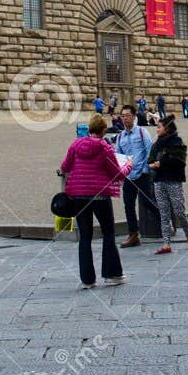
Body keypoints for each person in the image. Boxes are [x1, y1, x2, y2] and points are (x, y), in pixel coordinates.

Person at [59, 114, 127, 287]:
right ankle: (112, 275)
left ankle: (87, 280)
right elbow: (116, 173)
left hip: (78, 196)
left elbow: (65, 167)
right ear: (103, 130)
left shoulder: (75, 144)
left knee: (85, 236)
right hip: (100, 196)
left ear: (89, 129)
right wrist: (128, 166)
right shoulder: (105, 147)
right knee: (108, 233)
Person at [149, 114, 188, 253]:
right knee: (164, 213)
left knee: (179, 211)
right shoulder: (157, 144)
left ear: (167, 129)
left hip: (173, 180)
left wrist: (160, 163)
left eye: (159, 127)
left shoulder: (178, 143)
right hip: (159, 180)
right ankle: (166, 244)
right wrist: (153, 164)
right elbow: (150, 159)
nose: (157, 130)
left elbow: (180, 162)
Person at [116, 105, 154, 248]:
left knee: (147, 202)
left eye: (127, 115)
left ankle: (165, 224)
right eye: (123, 116)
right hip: (129, 176)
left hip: (142, 174)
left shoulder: (142, 132)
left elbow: (150, 151)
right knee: (128, 206)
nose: (125, 118)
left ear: (133, 116)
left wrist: (145, 169)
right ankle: (133, 235)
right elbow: (119, 156)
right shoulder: (120, 137)